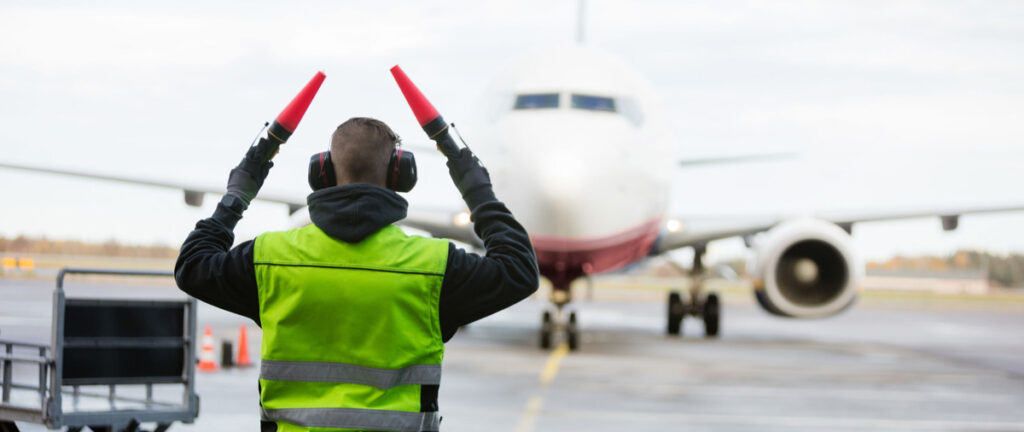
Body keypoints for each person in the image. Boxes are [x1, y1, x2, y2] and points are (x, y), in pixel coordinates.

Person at [175, 117, 539, 432]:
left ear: (322, 173)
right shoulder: (434, 266)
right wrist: (476, 190)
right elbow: (519, 269)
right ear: (401, 173)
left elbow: (192, 265)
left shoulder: (269, 259)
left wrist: (239, 193)